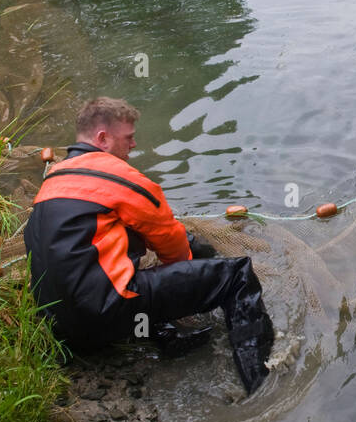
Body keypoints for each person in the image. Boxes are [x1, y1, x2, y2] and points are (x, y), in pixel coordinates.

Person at [24, 97, 274, 393]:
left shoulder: (52, 180)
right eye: (128, 138)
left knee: (129, 248)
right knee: (236, 276)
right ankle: (261, 378)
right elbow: (173, 246)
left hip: (60, 327)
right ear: (103, 139)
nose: (133, 145)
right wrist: (195, 284)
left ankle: (167, 337)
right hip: (101, 314)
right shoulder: (117, 176)